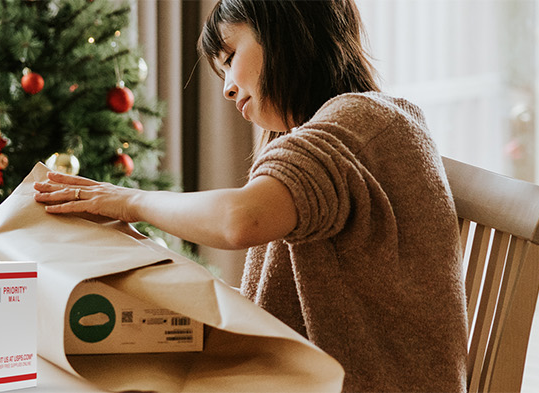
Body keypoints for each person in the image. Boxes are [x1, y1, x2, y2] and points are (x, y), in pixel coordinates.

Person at [31, 0, 466, 391]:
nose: (226, 88)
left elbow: (240, 220)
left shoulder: (364, 121)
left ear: (286, 28)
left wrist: (127, 200)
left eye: (231, 57)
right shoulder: (349, 129)